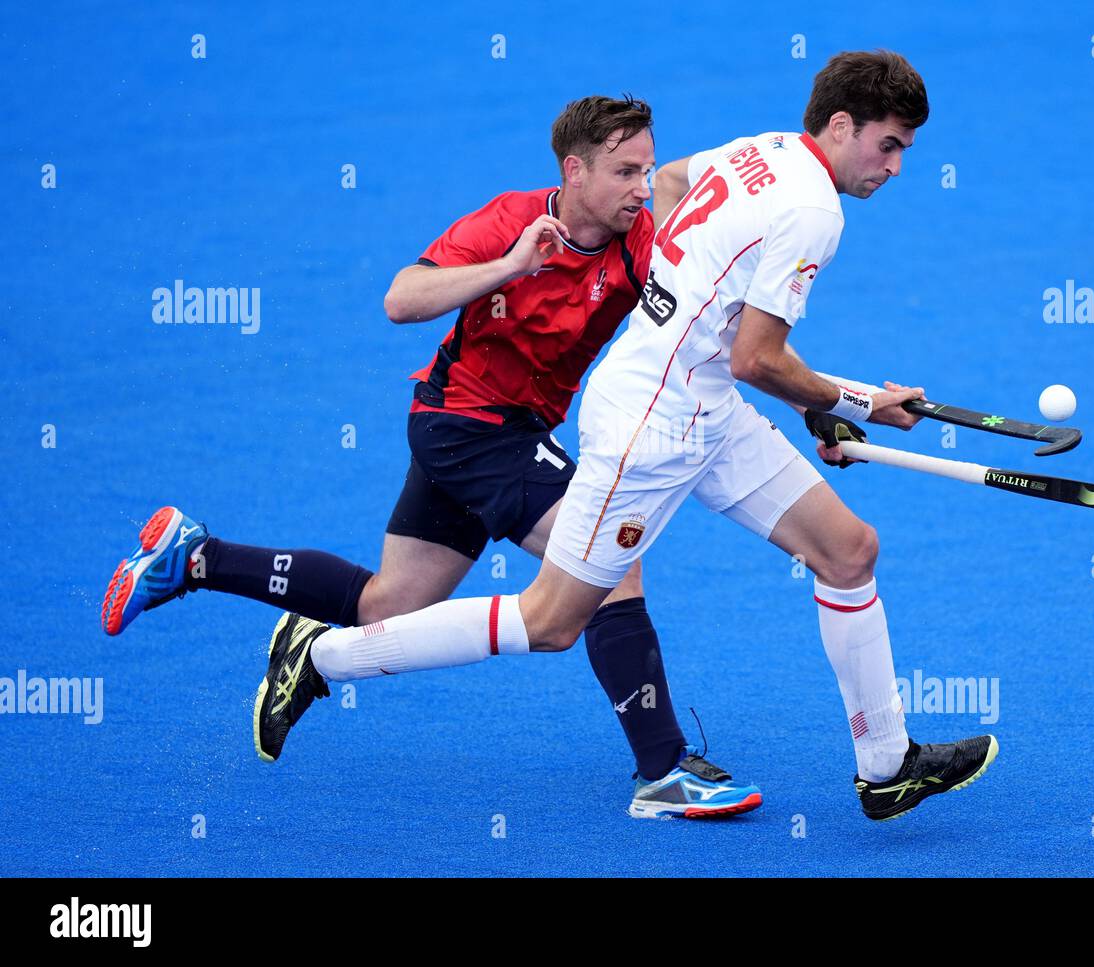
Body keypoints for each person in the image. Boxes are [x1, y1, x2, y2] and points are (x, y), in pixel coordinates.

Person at [258, 51, 999, 822]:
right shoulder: (817, 212)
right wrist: (858, 399)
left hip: (704, 403)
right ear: (841, 126)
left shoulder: (765, 148)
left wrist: (809, 399)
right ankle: (325, 655)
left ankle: (886, 765)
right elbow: (757, 358)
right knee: (550, 620)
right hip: (653, 426)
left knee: (848, 550)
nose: (898, 166)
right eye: (891, 144)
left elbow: (681, 210)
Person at [100, 94, 761, 820]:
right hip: (466, 425)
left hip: (493, 433)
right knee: (609, 565)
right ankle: (663, 770)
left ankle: (195, 558)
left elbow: (720, 335)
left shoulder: (638, 243)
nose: (644, 186)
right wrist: (509, 267)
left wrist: (827, 398)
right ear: (574, 172)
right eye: (625, 171)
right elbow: (401, 299)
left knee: (390, 602)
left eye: (649, 168)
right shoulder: (510, 220)